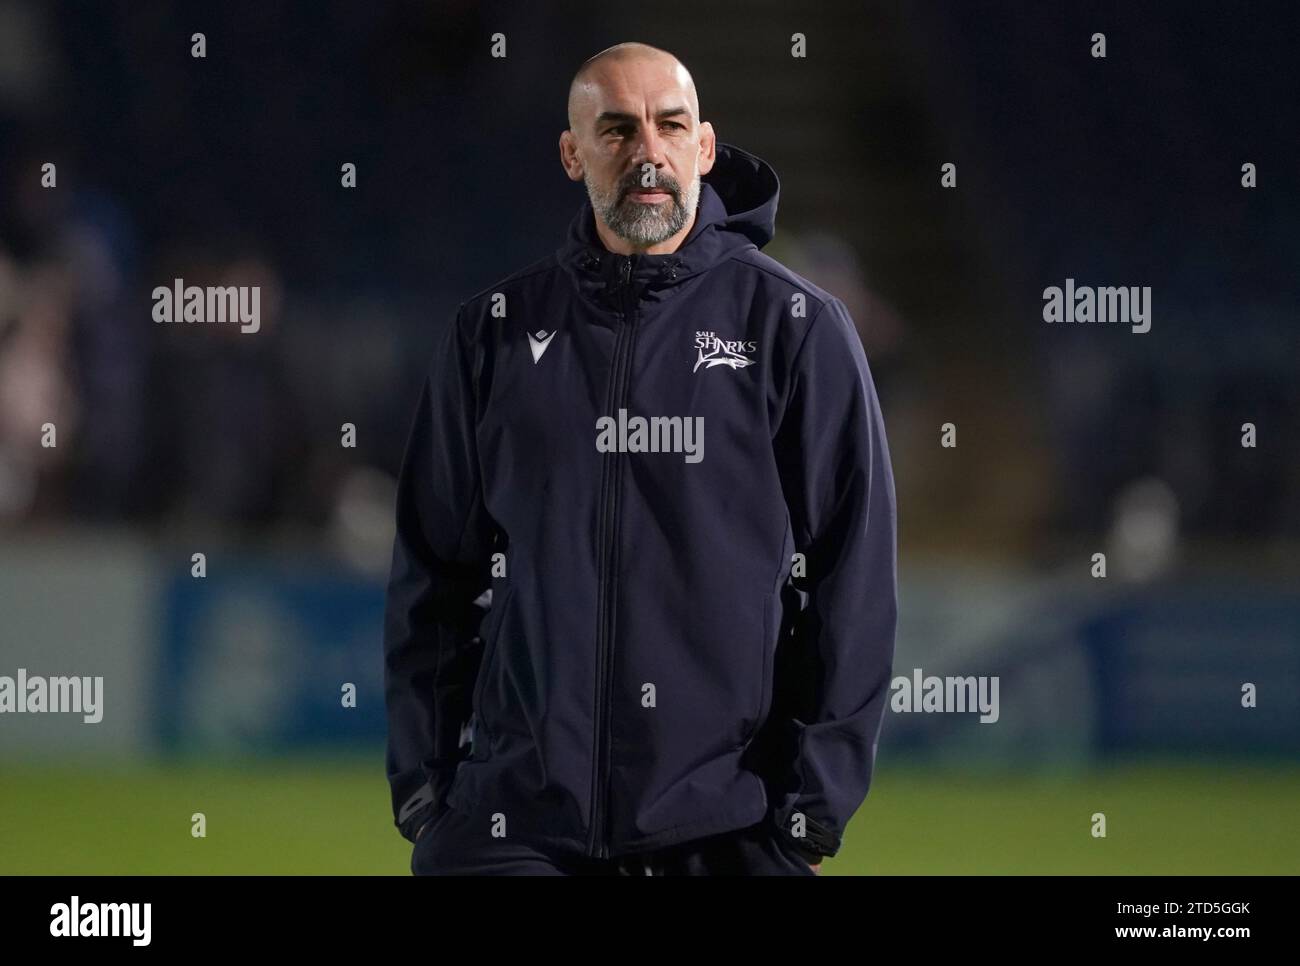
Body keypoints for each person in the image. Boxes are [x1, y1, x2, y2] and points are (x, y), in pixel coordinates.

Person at [383, 41, 897, 875]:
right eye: (616, 130)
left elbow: (854, 581)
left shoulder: (796, 328)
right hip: (514, 828)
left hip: (725, 833)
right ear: (571, 152)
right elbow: (433, 577)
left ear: (703, 147)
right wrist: (426, 791)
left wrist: (808, 814)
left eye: (670, 126)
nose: (647, 152)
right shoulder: (494, 332)